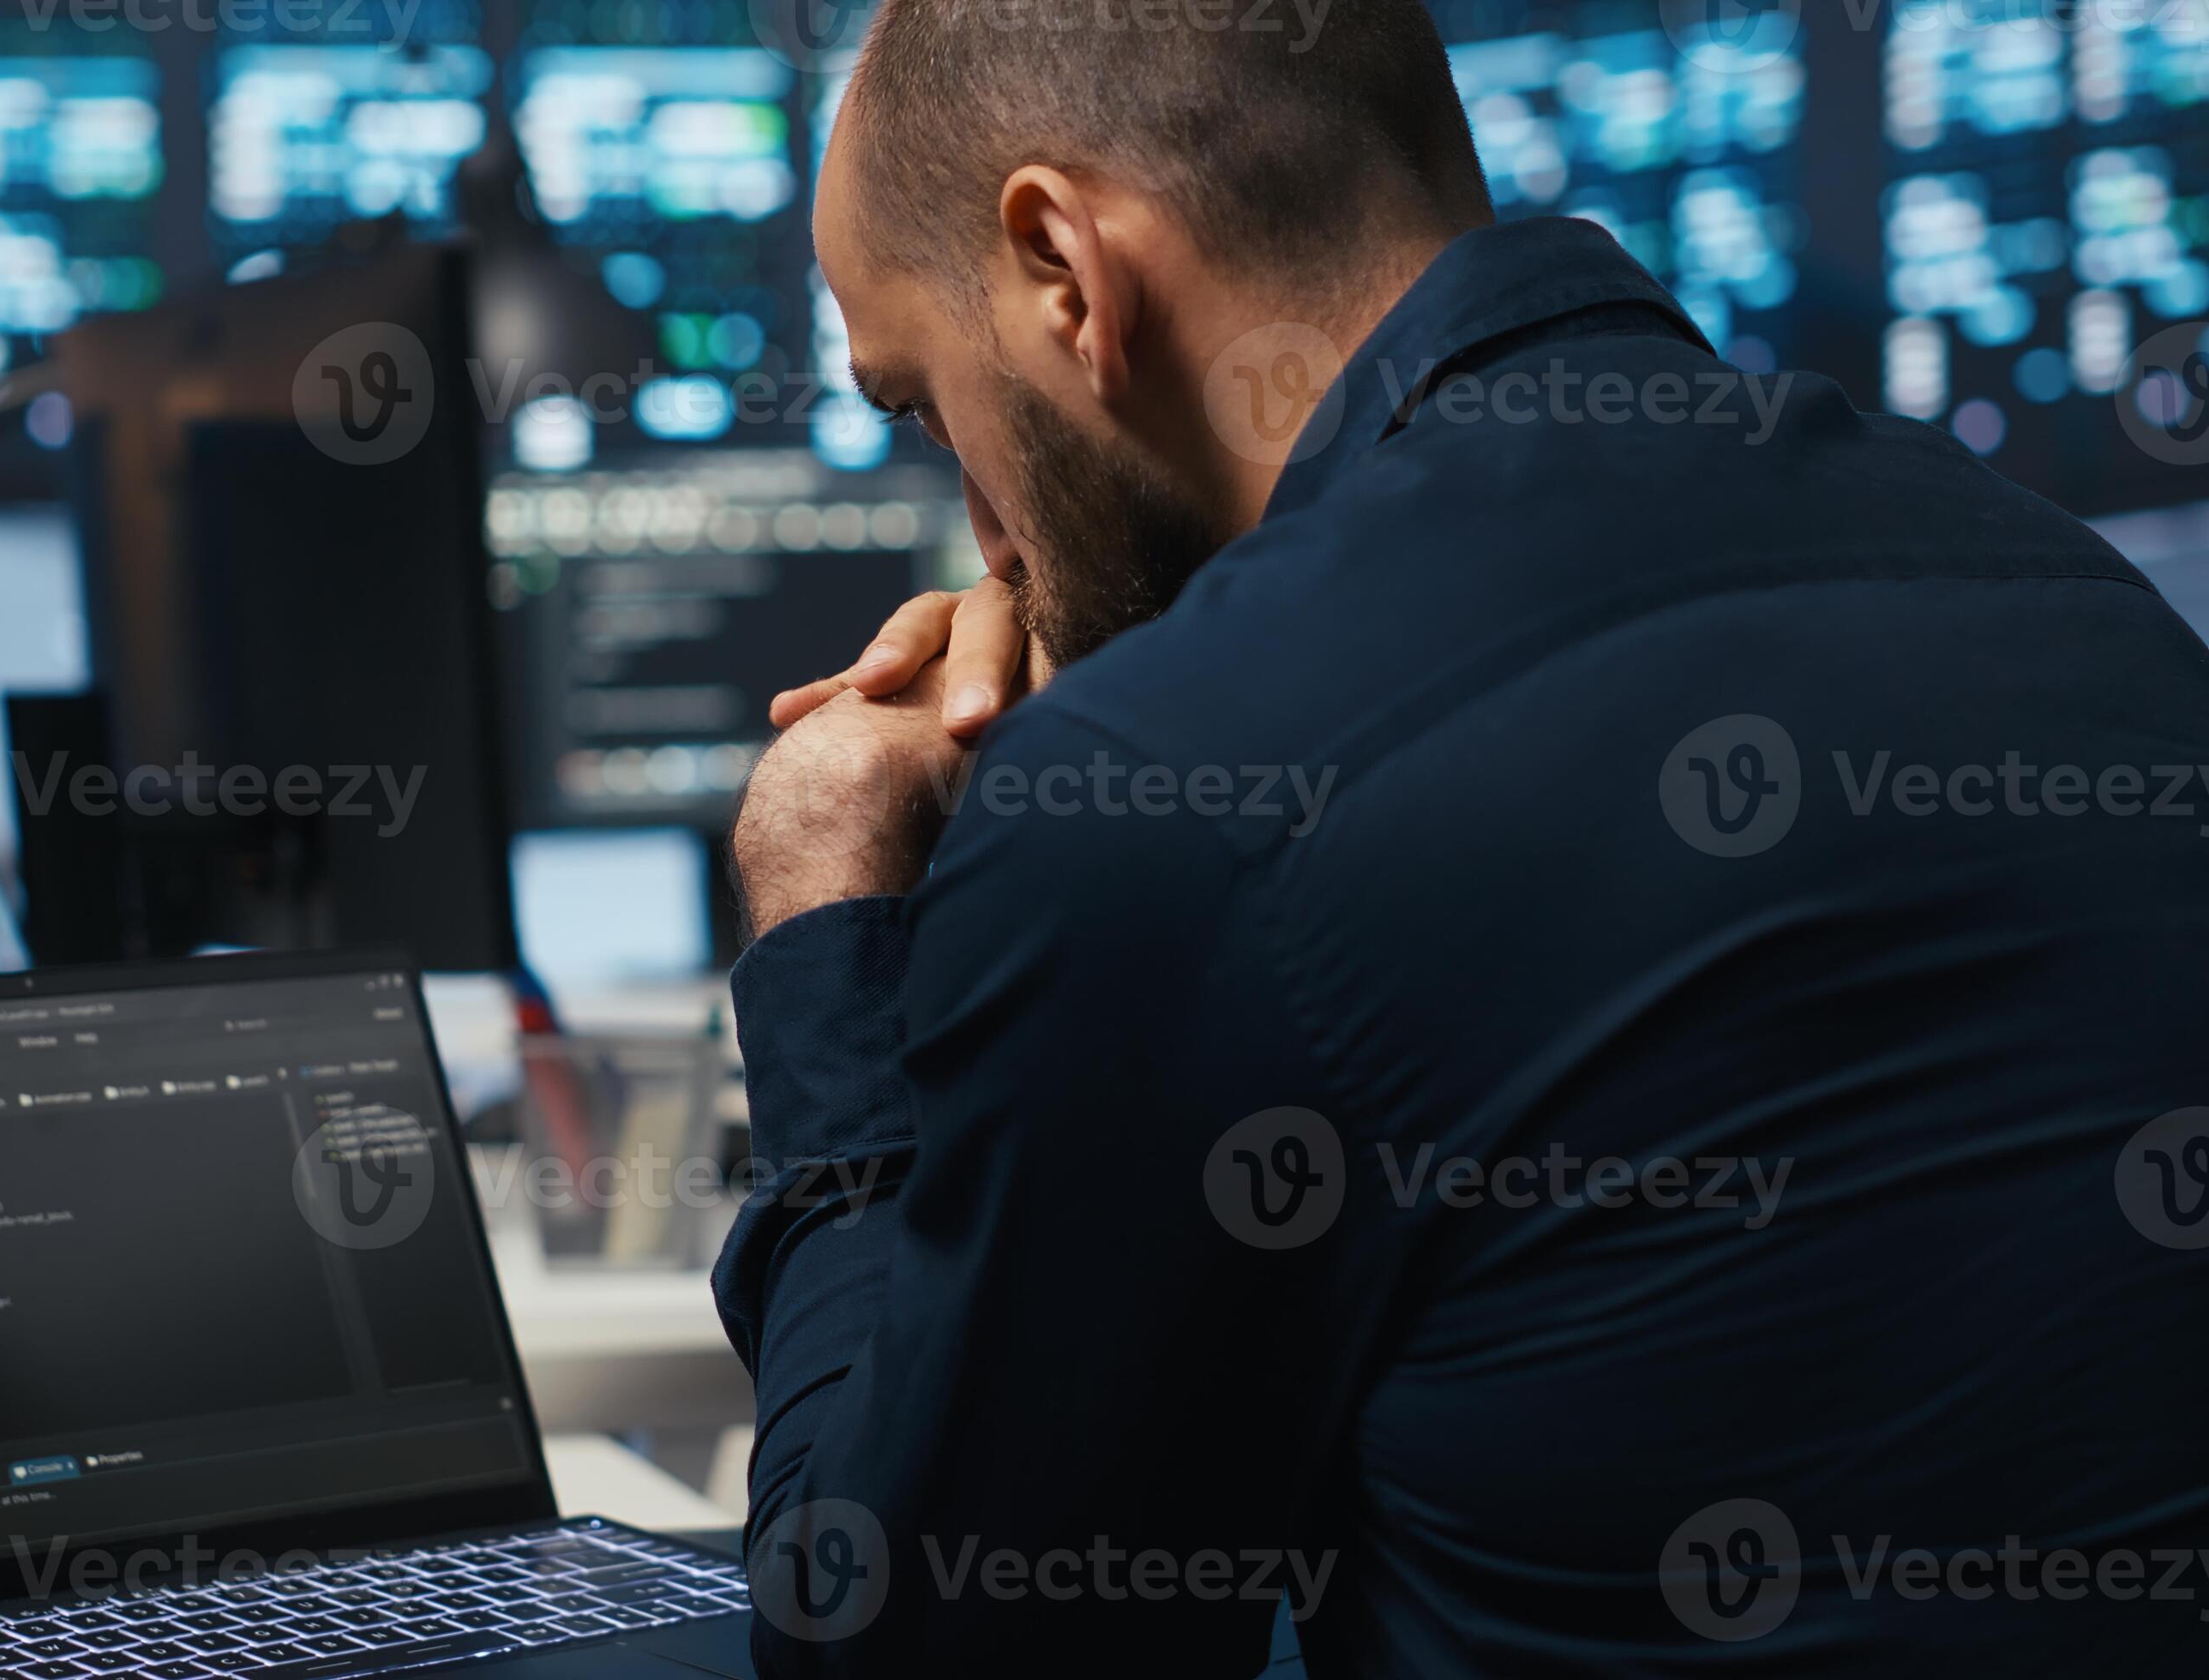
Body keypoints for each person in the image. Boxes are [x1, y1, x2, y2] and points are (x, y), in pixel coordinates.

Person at [716, 1, 2209, 1672]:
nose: (984, 537)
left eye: (925, 408)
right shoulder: (2086, 605)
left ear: (1064, 270)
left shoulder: (1187, 781)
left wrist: (837, 913)